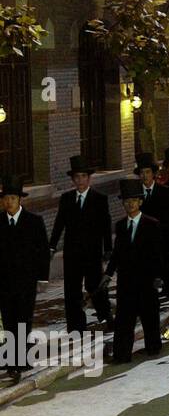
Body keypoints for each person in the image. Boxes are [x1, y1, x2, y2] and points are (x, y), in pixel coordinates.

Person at [103, 179, 169, 363]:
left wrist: (159, 276)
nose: (130, 204)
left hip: (147, 280)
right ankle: (121, 354)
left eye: (134, 200)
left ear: (140, 202)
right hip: (126, 281)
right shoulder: (120, 226)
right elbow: (117, 253)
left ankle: (154, 346)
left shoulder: (152, 224)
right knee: (124, 319)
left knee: (150, 317)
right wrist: (108, 273)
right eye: (126, 201)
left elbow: (159, 253)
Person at [50, 155, 113, 330]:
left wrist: (108, 248)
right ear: (73, 179)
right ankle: (75, 325)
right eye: (77, 177)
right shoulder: (67, 198)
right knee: (72, 290)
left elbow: (106, 225)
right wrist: (52, 245)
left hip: (92, 252)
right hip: (72, 253)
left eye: (83, 176)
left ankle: (105, 315)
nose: (80, 180)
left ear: (89, 178)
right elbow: (59, 223)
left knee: (96, 286)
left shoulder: (99, 199)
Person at [0, 176, 51, 382]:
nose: (9, 202)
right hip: (4, 283)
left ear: (20, 199)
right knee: (9, 322)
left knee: (23, 321)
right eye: (6, 198)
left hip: (26, 283)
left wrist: (42, 278)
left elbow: (42, 252)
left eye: (13, 198)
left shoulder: (34, 222)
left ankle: (18, 362)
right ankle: (16, 361)